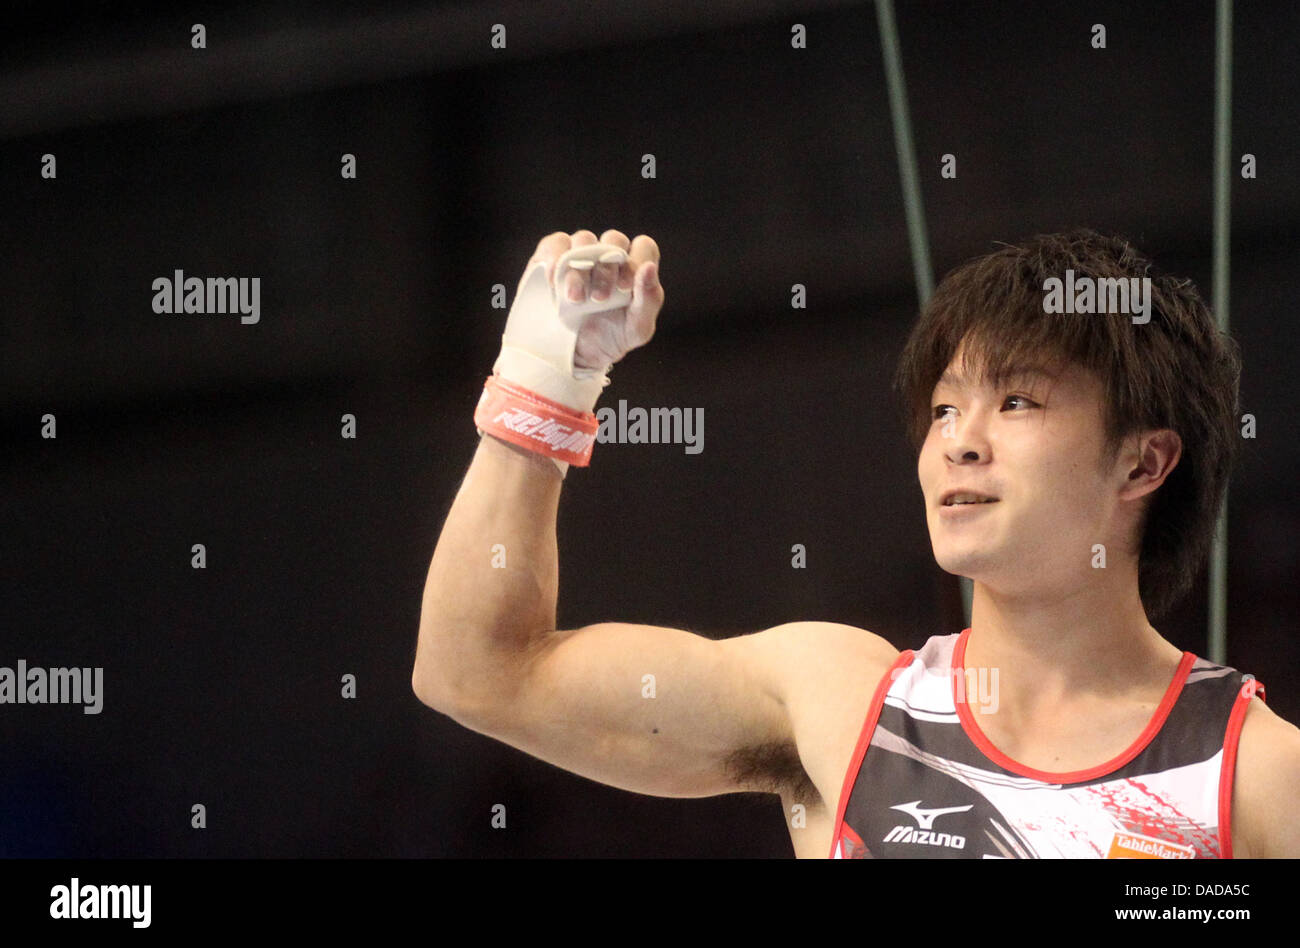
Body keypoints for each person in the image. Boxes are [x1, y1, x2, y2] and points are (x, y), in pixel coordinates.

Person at [411, 227, 1300, 858]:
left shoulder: (1258, 773)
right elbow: (477, 672)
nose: (960, 439)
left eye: (1017, 402)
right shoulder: (839, 705)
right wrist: (541, 391)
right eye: (946, 408)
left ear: (1144, 464)